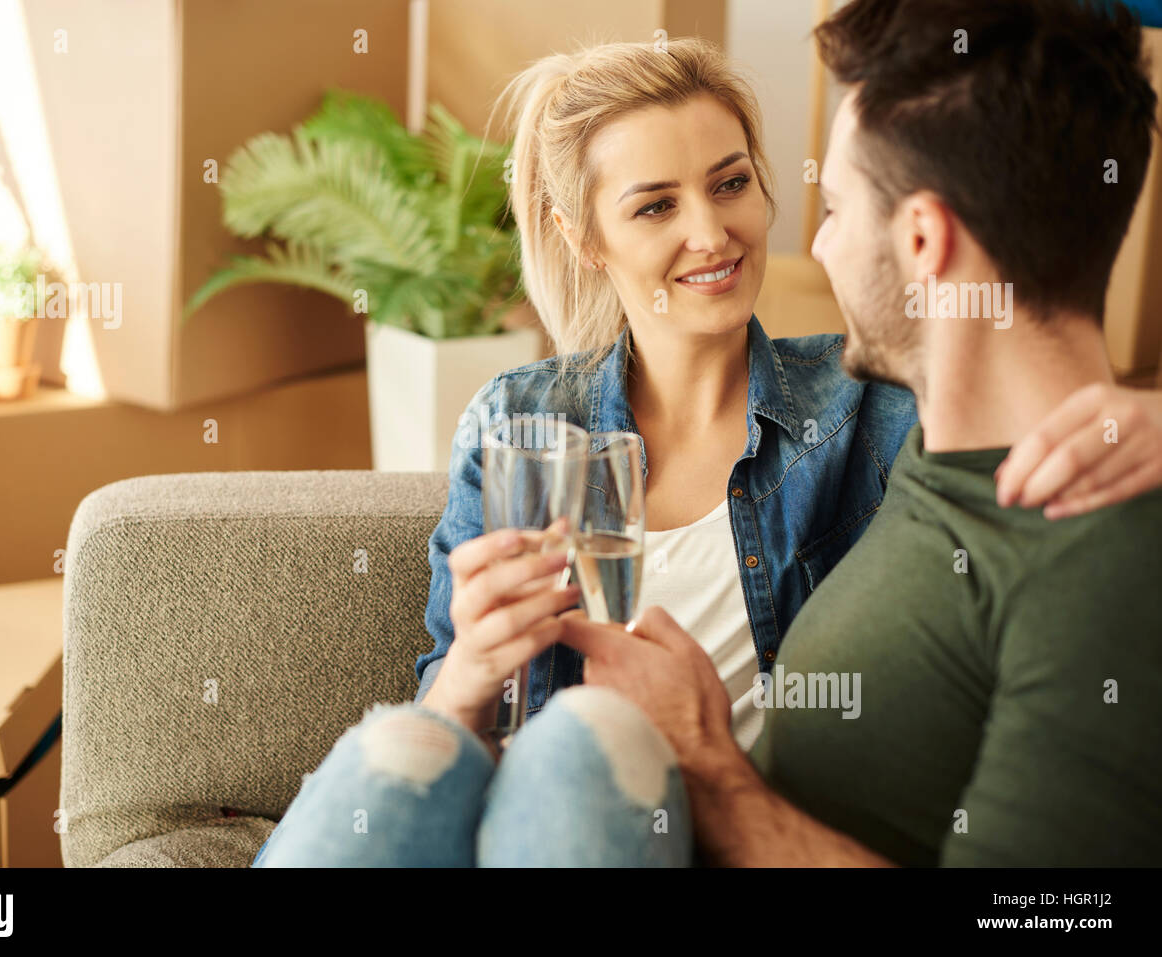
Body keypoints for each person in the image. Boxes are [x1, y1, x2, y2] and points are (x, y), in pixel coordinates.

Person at [254, 6, 1162, 867]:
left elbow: (1031, 376)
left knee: (581, 739)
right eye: (655, 206)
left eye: (733, 184)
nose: (711, 231)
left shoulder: (874, 408)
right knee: (408, 742)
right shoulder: (521, 425)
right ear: (586, 240)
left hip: (656, 811)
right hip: (528, 814)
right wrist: (473, 670)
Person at [558, 0, 1162, 866]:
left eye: (833, 209)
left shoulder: (1104, 552)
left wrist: (710, 768)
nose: (823, 246)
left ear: (922, 239)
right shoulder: (942, 445)